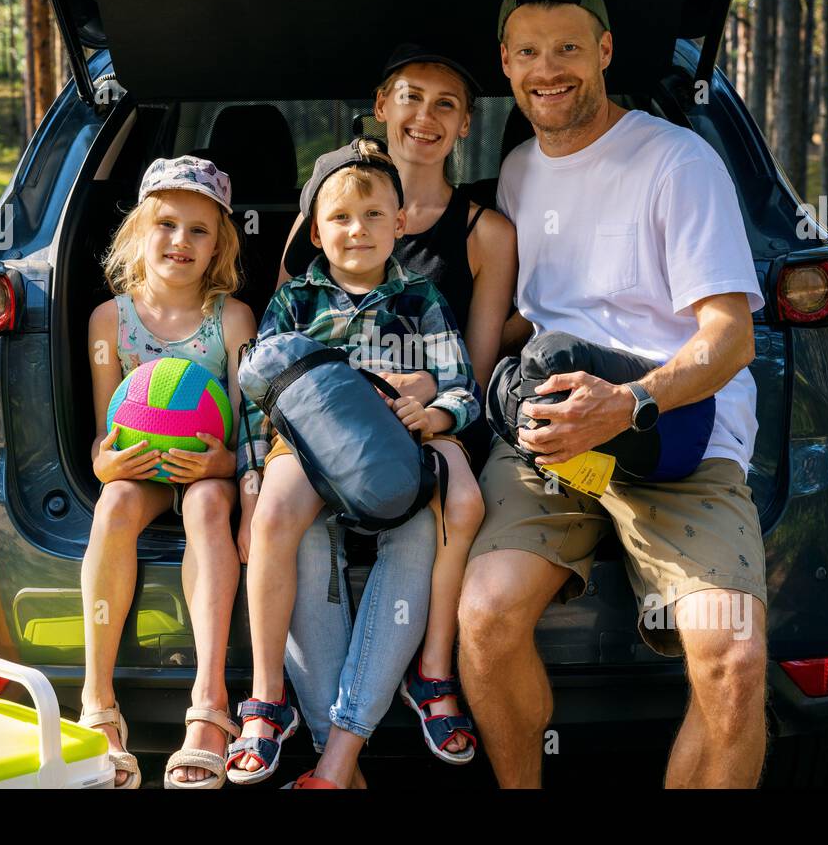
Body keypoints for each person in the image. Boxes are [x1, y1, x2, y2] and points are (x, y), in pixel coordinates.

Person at [458, 0, 770, 788]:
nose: (548, 68)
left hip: (673, 432)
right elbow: (537, 309)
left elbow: (730, 337)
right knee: (485, 617)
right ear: (506, 62)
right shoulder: (520, 170)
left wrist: (629, 401)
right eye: (528, 51)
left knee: (733, 659)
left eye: (567, 47)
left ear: (603, 51)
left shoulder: (677, 162)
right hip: (555, 442)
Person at [277, 46, 519, 758]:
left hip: (428, 428)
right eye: (410, 97)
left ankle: (418, 682)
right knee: (298, 528)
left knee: (449, 504)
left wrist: (424, 403)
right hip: (323, 436)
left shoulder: (486, 233)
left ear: (467, 124)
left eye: (447, 104)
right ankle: (333, 755)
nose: (426, 116)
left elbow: (468, 376)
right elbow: (279, 353)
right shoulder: (323, 213)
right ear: (381, 107)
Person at [228, 139, 481, 786]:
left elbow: (460, 385)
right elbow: (260, 395)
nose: (357, 230)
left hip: (397, 450)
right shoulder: (296, 302)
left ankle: (427, 678)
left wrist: (437, 413)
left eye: (374, 217)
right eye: (339, 217)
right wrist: (252, 481)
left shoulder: (420, 298)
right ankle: (266, 697)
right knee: (279, 520)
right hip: (309, 448)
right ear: (315, 230)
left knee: (427, 523)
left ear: (400, 224)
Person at [80, 155, 262, 789]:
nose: (180, 241)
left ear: (219, 247)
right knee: (114, 507)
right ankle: (97, 704)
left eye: (199, 230)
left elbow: (249, 429)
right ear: (137, 230)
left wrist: (226, 463)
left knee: (209, 505)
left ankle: (208, 708)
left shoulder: (232, 320)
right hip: (142, 469)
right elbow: (103, 436)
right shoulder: (110, 321)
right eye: (165, 224)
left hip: (206, 469)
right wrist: (107, 461)